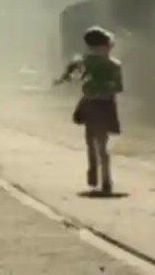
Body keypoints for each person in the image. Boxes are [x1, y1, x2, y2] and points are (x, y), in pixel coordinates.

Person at [54, 27, 124, 194]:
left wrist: (63, 79)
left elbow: (71, 74)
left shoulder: (87, 61)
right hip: (102, 104)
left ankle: (99, 176)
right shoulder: (111, 64)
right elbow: (119, 87)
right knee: (98, 143)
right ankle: (102, 178)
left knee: (96, 143)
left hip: (95, 104)